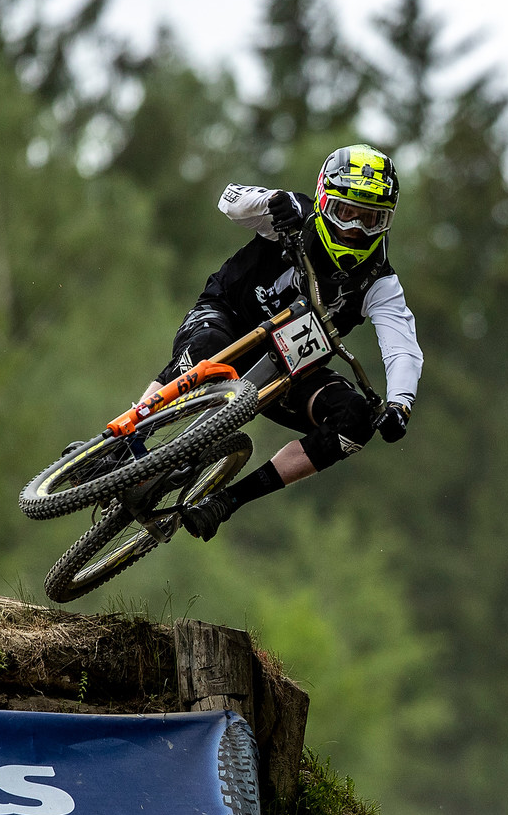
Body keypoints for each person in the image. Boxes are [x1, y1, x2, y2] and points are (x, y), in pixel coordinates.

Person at [144, 144, 422, 541]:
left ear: (386, 223)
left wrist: (400, 403)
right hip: (229, 318)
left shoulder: (380, 282)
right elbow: (230, 200)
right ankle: (120, 439)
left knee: (355, 421)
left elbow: (402, 346)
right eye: (347, 213)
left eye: (370, 220)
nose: (355, 230)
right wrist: (270, 201)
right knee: (203, 358)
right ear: (325, 201)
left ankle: (227, 502)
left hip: (285, 369)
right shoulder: (294, 215)